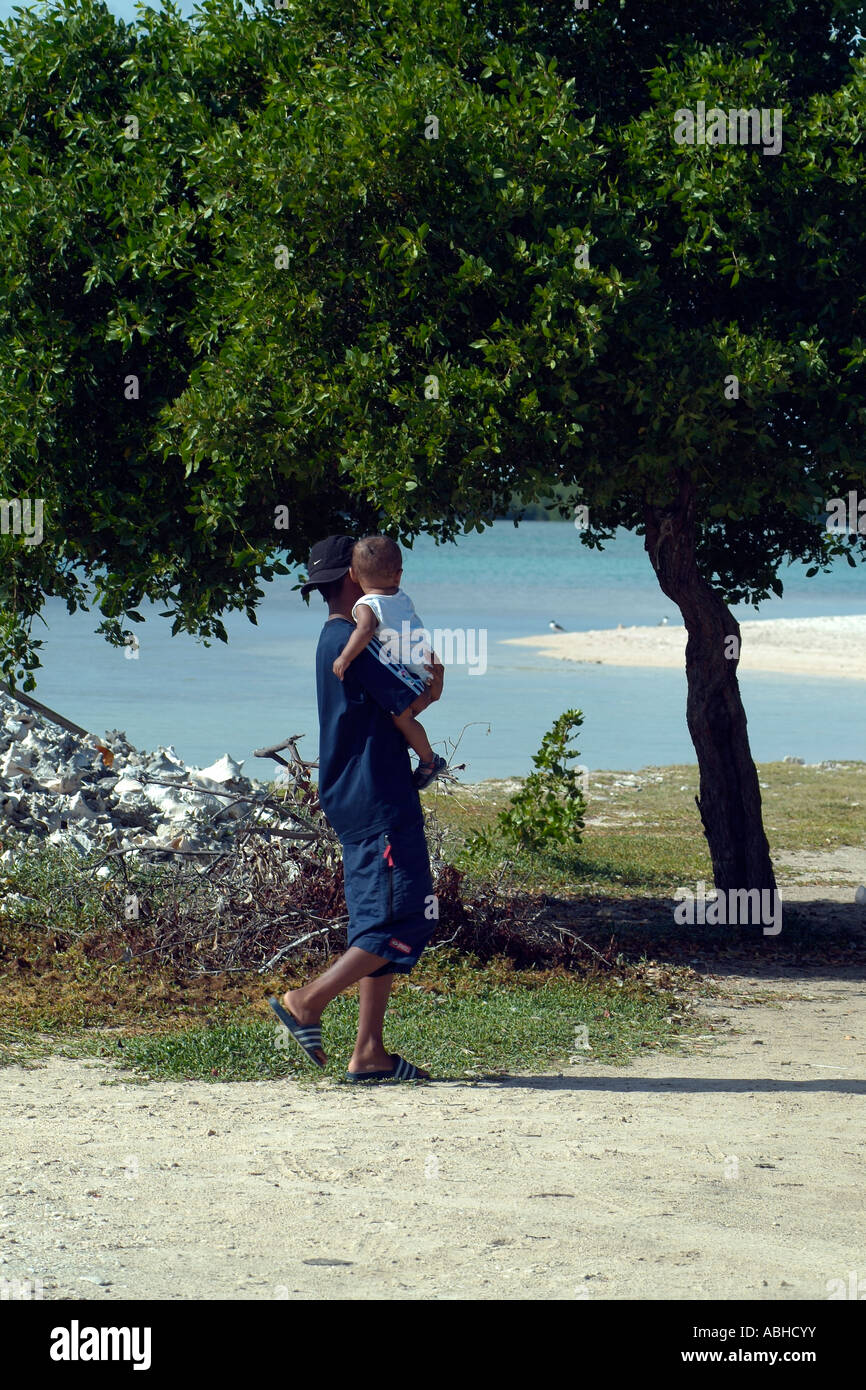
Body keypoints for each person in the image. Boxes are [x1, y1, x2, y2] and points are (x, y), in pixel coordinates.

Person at [268, 534, 444, 1082]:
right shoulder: (356, 640)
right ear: (353, 576)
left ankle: (369, 1051)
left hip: (356, 789)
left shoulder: (333, 637)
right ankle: (307, 1002)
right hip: (376, 793)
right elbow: (406, 702)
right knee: (405, 914)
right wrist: (434, 689)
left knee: (376, 916)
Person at [331, 534, 447, 788]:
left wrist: (344, 656)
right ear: (398, 575)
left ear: (352, 575)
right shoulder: (403, 598)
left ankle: (429, 760)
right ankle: (413, 751)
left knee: (402, 718)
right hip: (429, 668)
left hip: (413, 677)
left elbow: (365, 631)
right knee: (405, 719)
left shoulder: (366, 604)